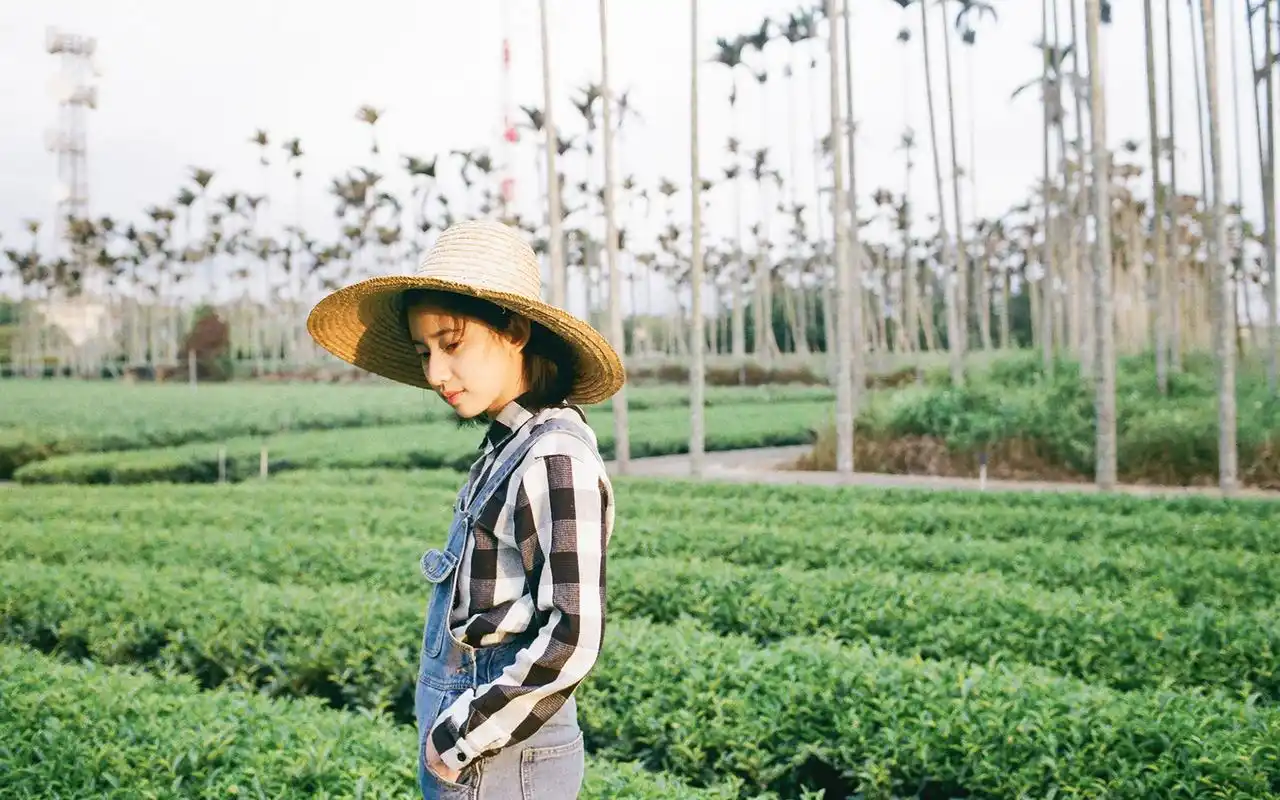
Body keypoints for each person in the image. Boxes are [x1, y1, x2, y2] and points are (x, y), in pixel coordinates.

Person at [306, 218, 625, 799]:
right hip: (484, 751)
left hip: (500, 758)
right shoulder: (510, 443)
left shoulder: (554, 458)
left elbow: (574, 637)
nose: (435, 373)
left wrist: (455, 740)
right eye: (424, 351)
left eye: (451, 344)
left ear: (517, 329)